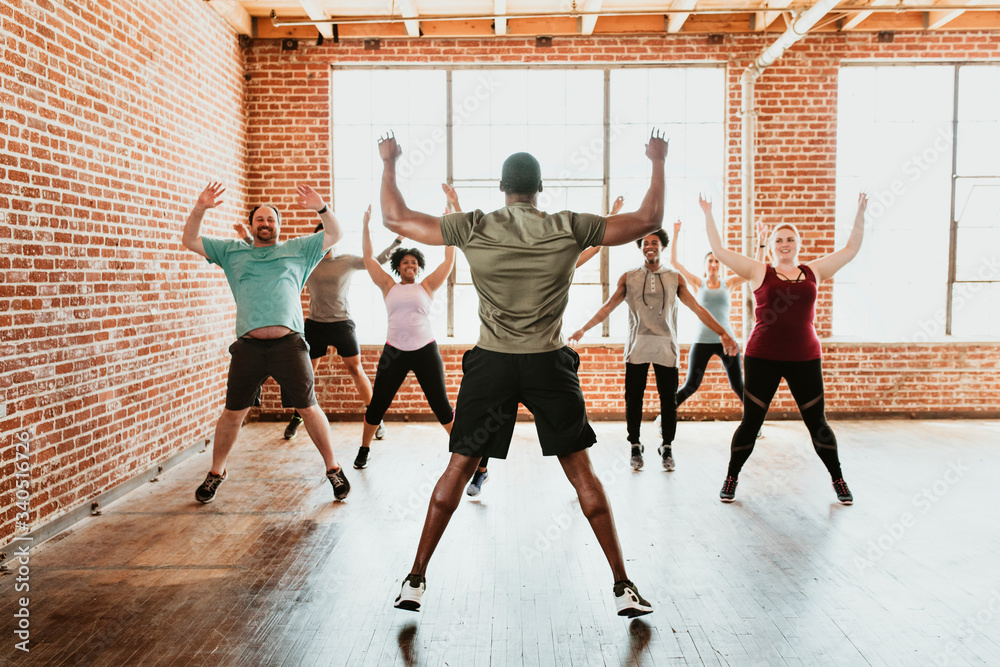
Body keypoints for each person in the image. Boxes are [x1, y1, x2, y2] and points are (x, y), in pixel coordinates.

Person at [379, 129, 669, 618]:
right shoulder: (567, 225)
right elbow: (648, 220)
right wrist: (657, 161)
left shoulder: (472, 226)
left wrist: (389, 161)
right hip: (547, 364)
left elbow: (396, 217)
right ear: (539, 189)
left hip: (492, 363)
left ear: (502, 188)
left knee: (459, 467)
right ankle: (623, 586)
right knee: (582, 472)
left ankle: (415, 579)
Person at [181, 182, 351, 504]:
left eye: (270, 219)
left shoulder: (299, 250)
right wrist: (201, 207)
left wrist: (321, 207)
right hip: (248, 348)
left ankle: (333, 469)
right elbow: (189, 239)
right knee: (232, 413)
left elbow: (335, 234)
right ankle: (216, 473)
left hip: (290, 344)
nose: (265, 224)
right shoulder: (232, 251)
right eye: (259, 219)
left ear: (278, 225)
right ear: (253, 224)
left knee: (309, 407)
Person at [700, 193, 868, 504]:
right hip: (762, 356)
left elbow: (850, 249)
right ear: (773, 244)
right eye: (779, 240)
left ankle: (839, 480)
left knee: (817, 423)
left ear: (798, 244)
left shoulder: (814, 270)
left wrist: (859, 211)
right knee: (752, 422)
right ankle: (731, 477)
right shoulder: (759, 271)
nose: (785, 244)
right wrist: (709, 213)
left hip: (804, 357)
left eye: (790, 239)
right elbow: (721, 252)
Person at [465, 192, 625, 498]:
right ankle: (480, 472)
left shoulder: (554, 260)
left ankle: (483, 471)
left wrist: (610, 216)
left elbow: (587, 247)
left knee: (571, 456)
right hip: (507, 357)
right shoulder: (497, 259)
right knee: (484, 430)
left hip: (536, 358)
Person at [568, 229, 739, 472]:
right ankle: (635, 445)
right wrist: (583, 329)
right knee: (633, 399)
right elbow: (608, 307)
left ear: (662, 247)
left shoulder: (674, 277)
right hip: (637, 346)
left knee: (668, 401)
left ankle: (667, 446)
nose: (650, 246)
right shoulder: (628, 277)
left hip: (665, 347)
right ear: (640, 247)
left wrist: (723, 332)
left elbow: (698, 309)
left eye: (655, 243)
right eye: (646, 243)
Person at [272, 207, 402, 442]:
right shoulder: (307, 263)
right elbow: (279, 261)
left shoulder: (347, 261)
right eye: (322, 236)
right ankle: (297, 416)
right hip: (315, 325)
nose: (328, 240)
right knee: (307, 375)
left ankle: (376, 418)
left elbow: (377, 260)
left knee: (355, 369)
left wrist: (398, 240)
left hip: (342, 324)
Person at [352, 195, 457, 470]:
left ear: (418, 268)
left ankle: (462, 452)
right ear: (398, 266)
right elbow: (367, 258)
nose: (410, 266)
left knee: (442, 407)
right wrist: (365, 226)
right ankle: (364, 449)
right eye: (405, 263)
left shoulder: (428, 286)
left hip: (425, 350)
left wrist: (448, 223)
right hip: (394, 352)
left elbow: (448, 259)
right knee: (377, 405)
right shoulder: (388, 285)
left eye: (414, 264)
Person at [670, 218, 767, 407]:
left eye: (716, 261)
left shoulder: (728, 283)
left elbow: (754, 269)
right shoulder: (698, 283)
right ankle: (664, 416)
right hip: (702, 340)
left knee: (738, 385)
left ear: (720, 264)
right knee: (691, 385)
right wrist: (675, 233)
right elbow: (675, 262)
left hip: (727, 341)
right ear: (705, 264)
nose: (713, 264)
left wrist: (761, 242)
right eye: (710, 261)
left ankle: (754, 423)